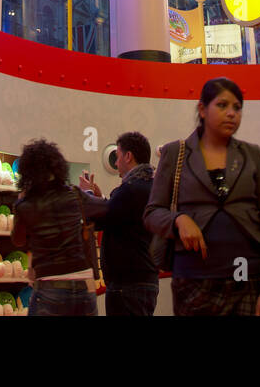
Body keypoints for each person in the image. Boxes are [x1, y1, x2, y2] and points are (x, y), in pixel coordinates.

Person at [143, 78, 260, 316]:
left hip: (248, 279)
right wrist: (178, 220)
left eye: (237, 108)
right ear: (202, 109)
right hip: (194, 281)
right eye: (222, 105)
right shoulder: (176, 153)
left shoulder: (252, 155)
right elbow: (151, 213)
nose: (231, 114)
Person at [11, 138, 99, 316]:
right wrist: (90, 192)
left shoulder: (25, 205)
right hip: (83, 281)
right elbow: (104, 207)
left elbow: (18, 241)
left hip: (49, 283)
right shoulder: (74, 194)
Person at [78, 131, 158, 315]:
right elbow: (121, 217)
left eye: (118, 156)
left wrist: (87, 194)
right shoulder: (152, 187)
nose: (116, 163)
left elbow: (101, 220)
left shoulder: (130, 189)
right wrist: (102, 199)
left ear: (128, 156)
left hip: (127, 284)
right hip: (145, 278)